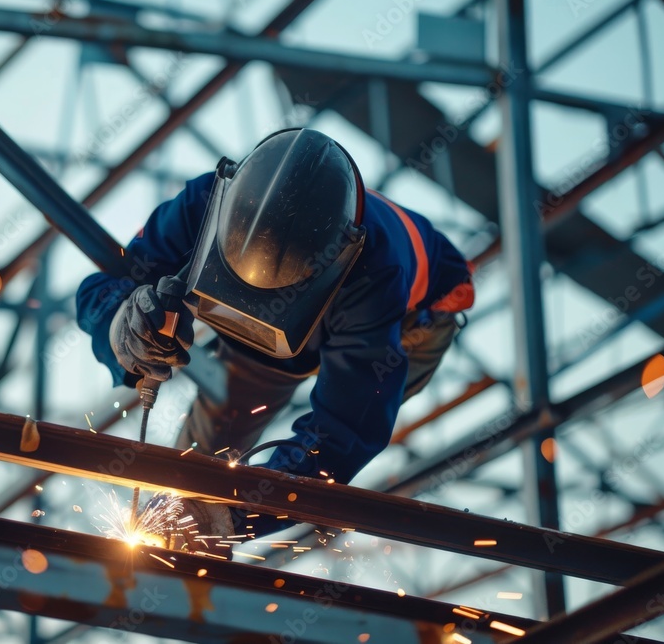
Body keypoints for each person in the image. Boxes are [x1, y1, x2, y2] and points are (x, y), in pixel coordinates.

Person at [76, 128, 474, 540]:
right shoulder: (203, 202)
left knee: (353, 418)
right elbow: (109, 282)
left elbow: (345, 432)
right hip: (270, 344)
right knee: (193, 478)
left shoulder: (375, 274)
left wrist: (238, 514)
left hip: (419, 319)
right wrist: (121, 323)